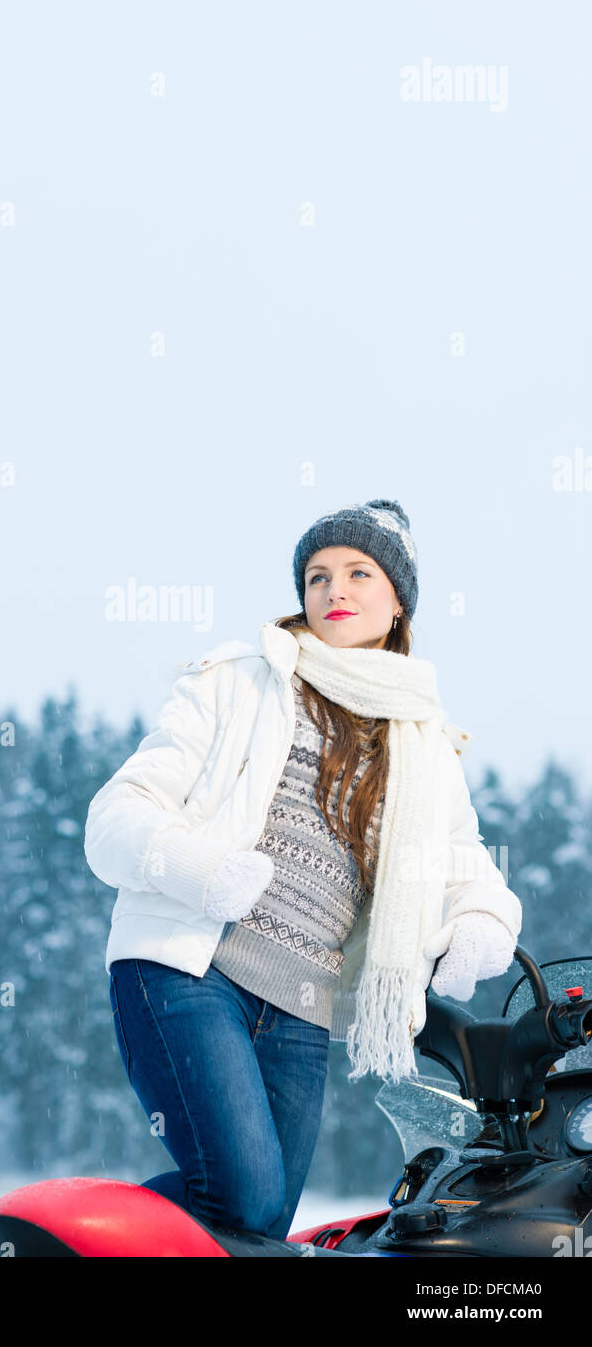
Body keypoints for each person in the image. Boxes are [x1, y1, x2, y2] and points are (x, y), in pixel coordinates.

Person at [83, 498, 522, 1241]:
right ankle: (61, 1237)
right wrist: (205, 870)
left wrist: (482, 921)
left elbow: (464, 864)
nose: (334, 591)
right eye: (317, 576)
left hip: (302, 1007)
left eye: (358, 573)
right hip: (192, 971)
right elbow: (115, 817)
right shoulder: (241, 681)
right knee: (243, 1196)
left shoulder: (423, 742)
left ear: (398, 604)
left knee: (258, 1225)